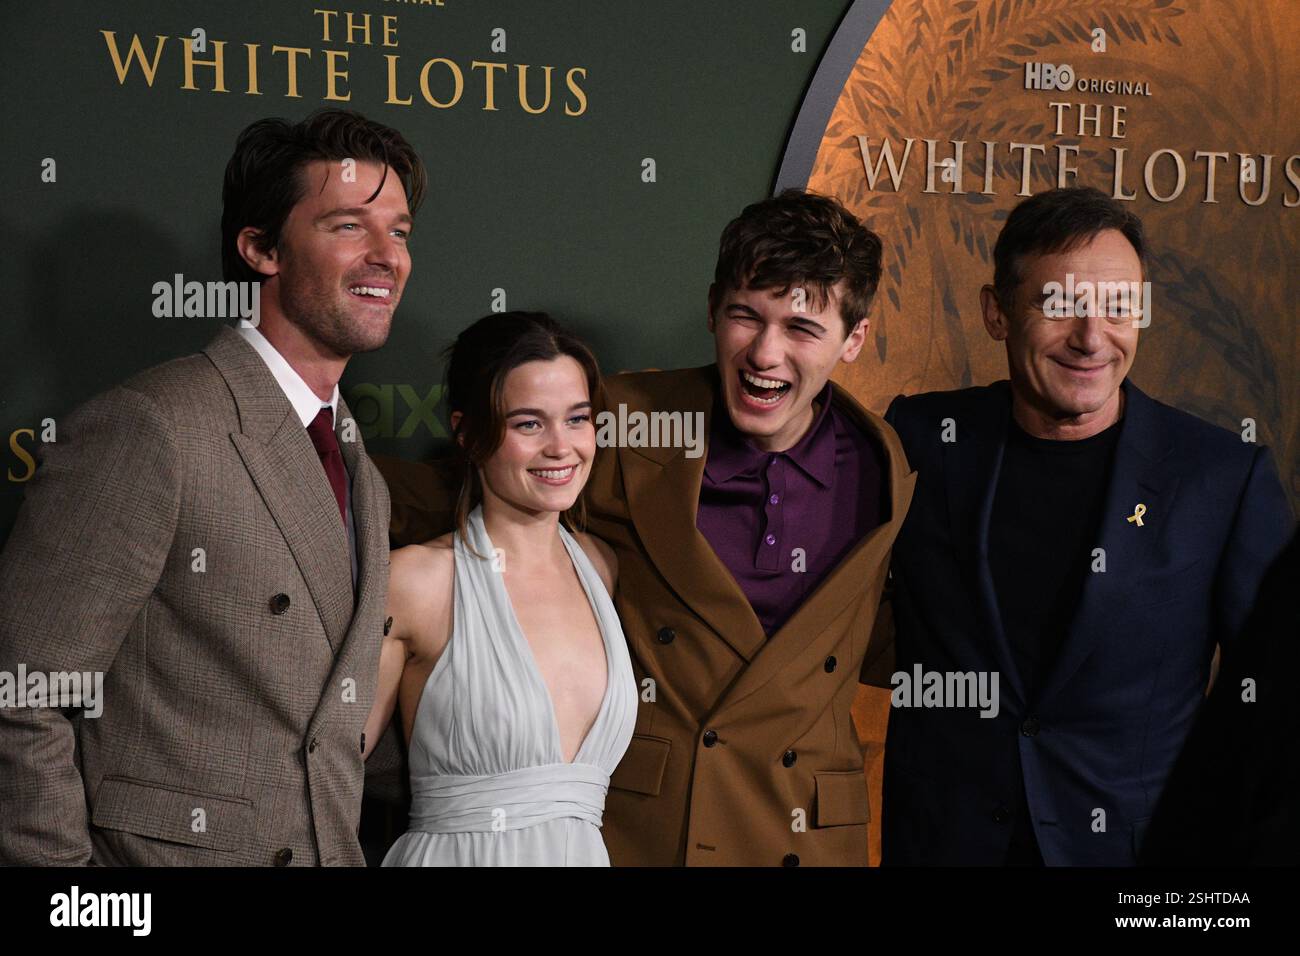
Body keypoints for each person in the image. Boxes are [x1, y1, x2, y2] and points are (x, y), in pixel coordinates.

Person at [0, 108, 423, 865]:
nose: (386, 256)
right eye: (349, 227)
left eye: (399, 231)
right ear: (261, 249)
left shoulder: (357, 461)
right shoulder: (153, 427)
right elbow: (22, 696)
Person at [879, 186, 1294, 866]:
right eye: (1058, 304)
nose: (1091, 337)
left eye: (1118, 307)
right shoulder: (922, 439)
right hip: (943, 845)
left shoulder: (1221, 476)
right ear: (997, 314)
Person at [364, 312, 636, 866]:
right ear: (467, 433)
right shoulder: (417, 581)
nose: (561, 447)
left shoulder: (601, 566)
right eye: (529, 424)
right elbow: (326, 769)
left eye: (577, 418)